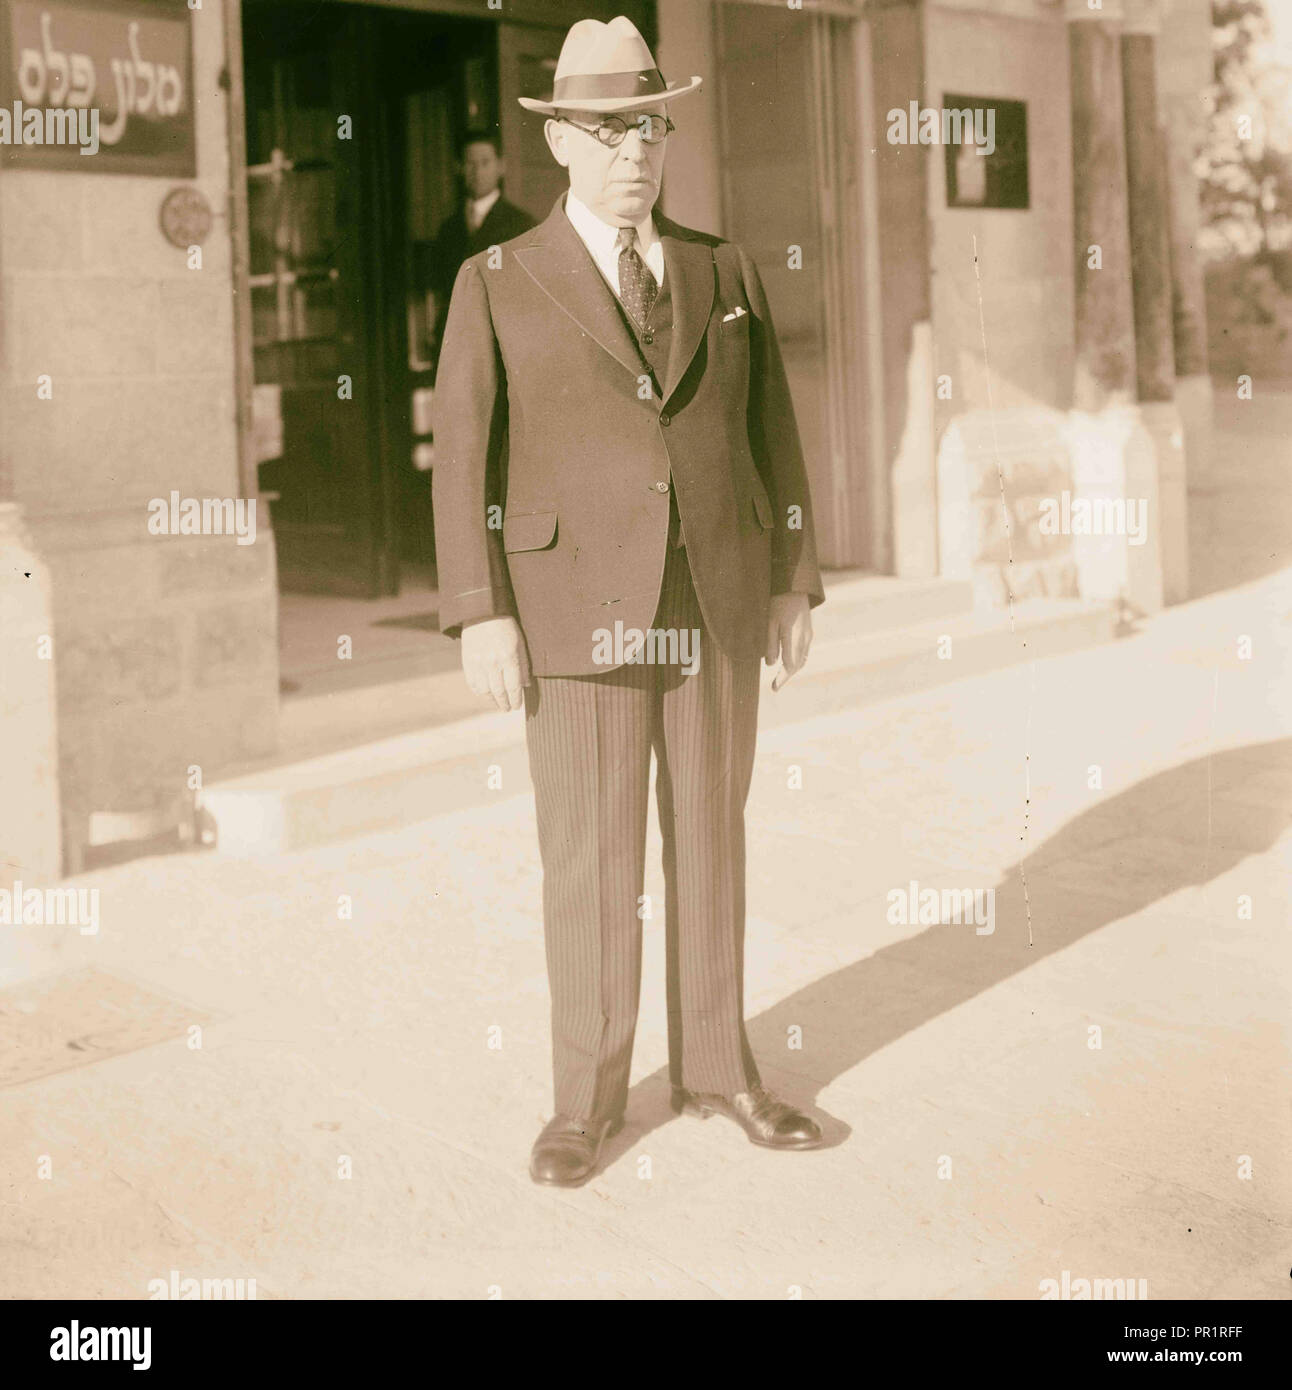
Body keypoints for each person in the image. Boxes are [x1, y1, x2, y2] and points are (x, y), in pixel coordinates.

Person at [432, 15, 826, 1188]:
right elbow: (461, 455)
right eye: (605, 132)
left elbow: (774, 437)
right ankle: (585, 1102)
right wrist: (479, 608)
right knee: (592, 859)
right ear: (557, 143)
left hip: (712, 597)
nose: (631, 153)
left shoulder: (721, 267)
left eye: (647, 127)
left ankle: (717, 1067)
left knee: (712, 833)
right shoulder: (495, 280)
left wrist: (792, 580)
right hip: (573, 611)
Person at [424, 131, 535, 367]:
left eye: (485, 163)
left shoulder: (522, 225)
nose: (477, 171)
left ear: (500, 167)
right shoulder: (449, 229)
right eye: (469, 163)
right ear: (459, 168)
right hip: (456, 342)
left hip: (502, 344)